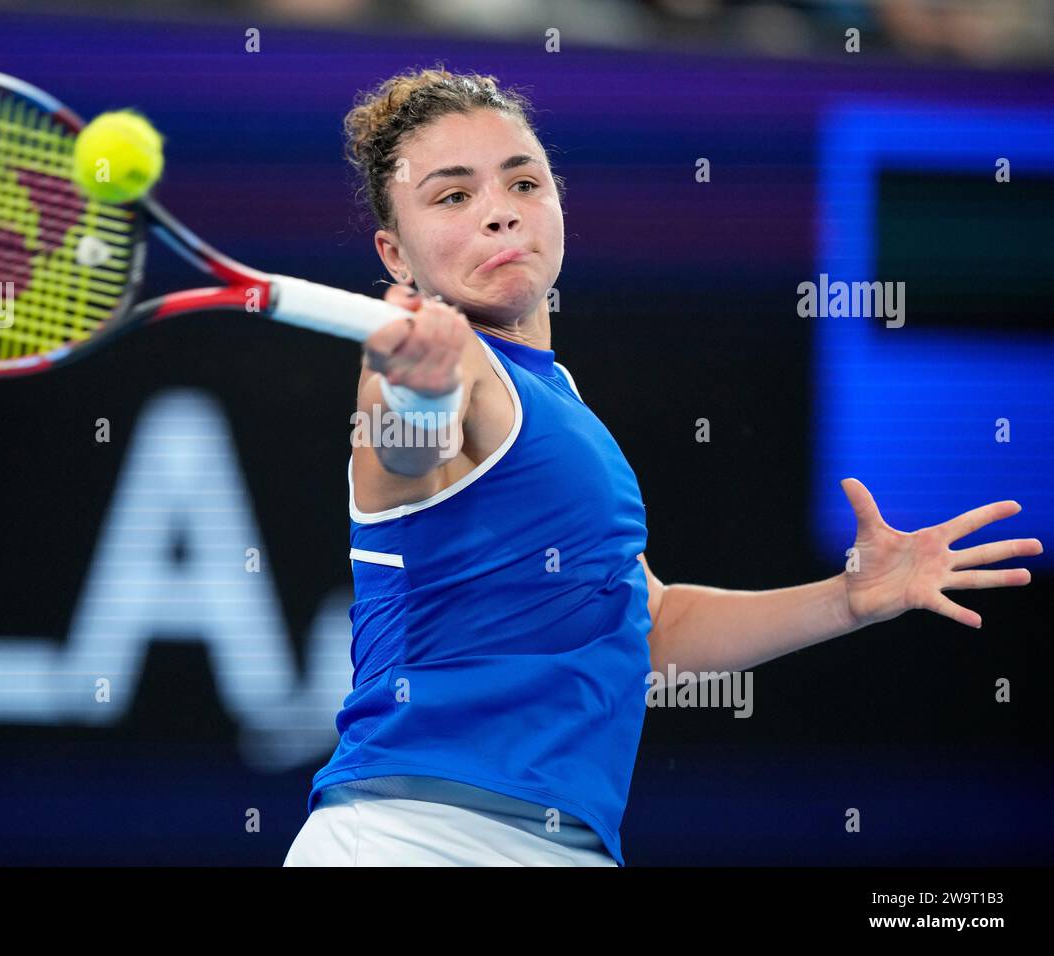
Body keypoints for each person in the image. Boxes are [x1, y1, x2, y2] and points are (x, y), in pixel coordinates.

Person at [284, 65, 1042, 867]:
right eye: (453, 197)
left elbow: (650, 626)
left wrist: (849, 600)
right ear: (394, 257)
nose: (500, 213)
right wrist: (421, 386)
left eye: (523, 181)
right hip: (416, 839)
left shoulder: (559, 400)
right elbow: (404, 450)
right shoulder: (430, 366)